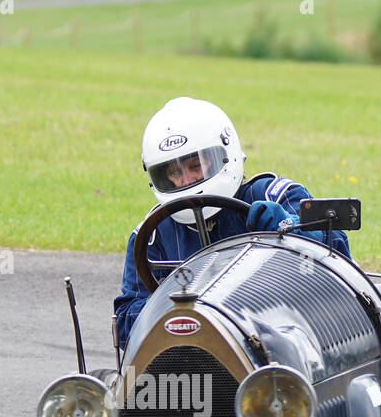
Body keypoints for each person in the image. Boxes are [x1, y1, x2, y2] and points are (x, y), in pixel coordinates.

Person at [114, 97, 349, 349]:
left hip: (282, 345)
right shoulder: (152, 235)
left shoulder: (274, 195)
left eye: (195, 165)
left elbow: (334, 243)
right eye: (174, 172)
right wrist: (182, 314)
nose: (186, 179)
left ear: (225, 156)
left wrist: (288, 228)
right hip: (195, 355)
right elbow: (128, 318)